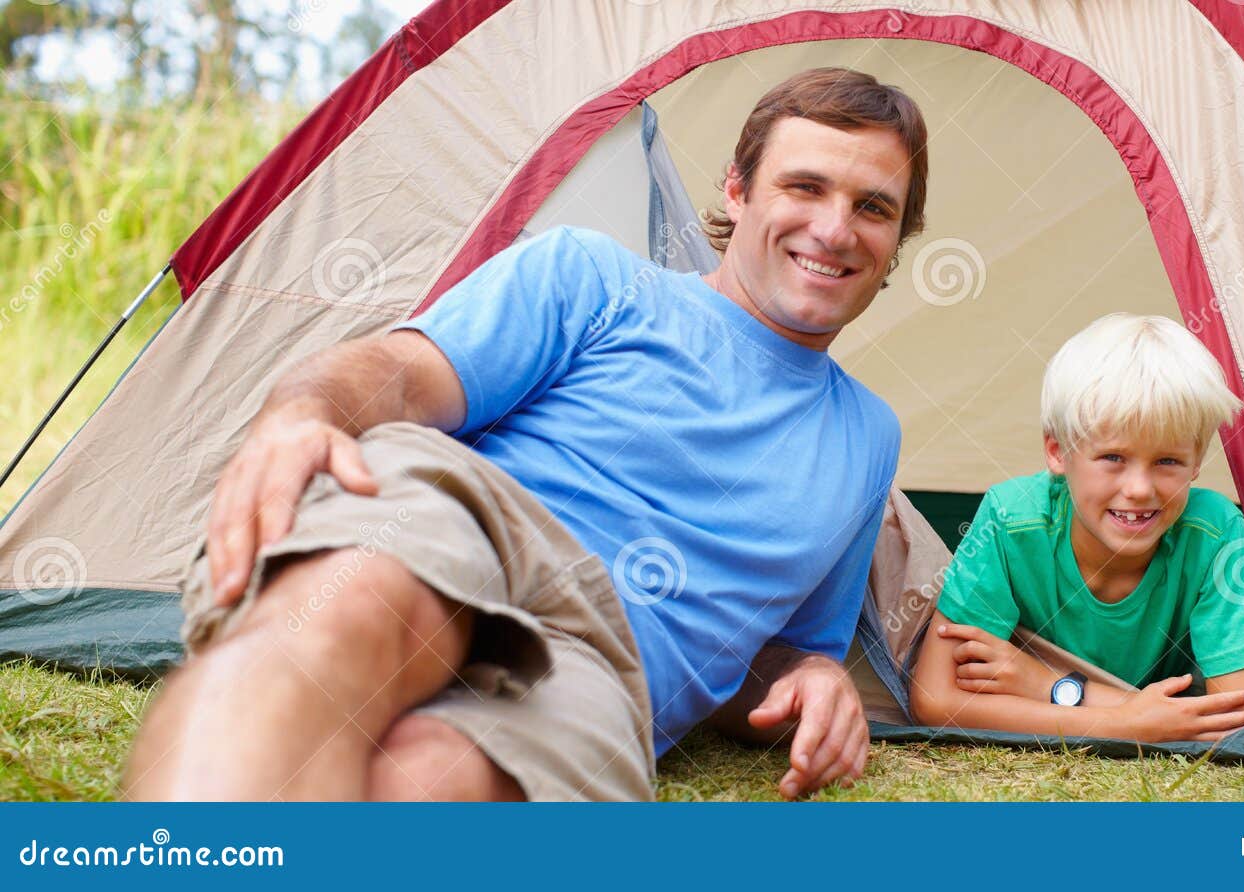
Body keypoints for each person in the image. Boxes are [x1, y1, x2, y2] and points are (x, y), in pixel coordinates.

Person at [122, 67, 926, 801]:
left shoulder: (867, 438)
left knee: (439, 781)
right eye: (805, 187)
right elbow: (400, 376)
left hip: (607, 665)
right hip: (473, 523)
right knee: (346, 618)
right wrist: (302, 411)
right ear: (739, 191)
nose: (833, 229)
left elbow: (761, 659)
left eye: (872, 207)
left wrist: (813, 673)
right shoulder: (594, 279)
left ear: (896, 242)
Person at [909, 314, 1244, 742]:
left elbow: (1237, 718)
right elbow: (933, 700)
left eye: (1167, 461)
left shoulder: (1213, 532)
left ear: (1196, 462)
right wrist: (1126, 721)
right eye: (1113, 458)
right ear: (1058, 453)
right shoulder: (1010, 519)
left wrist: (1046, 684)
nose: (1139, 490)